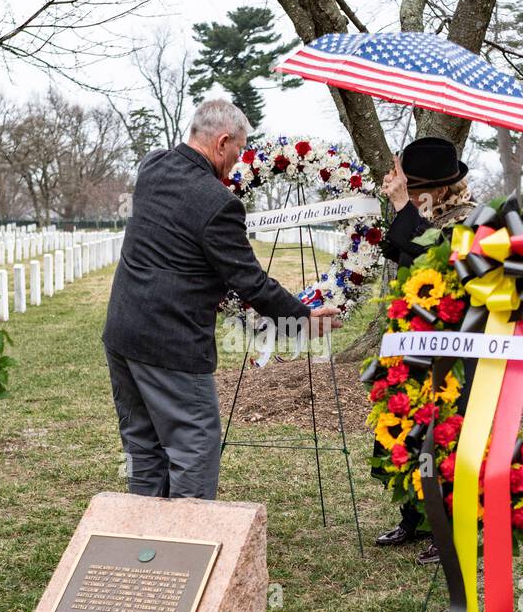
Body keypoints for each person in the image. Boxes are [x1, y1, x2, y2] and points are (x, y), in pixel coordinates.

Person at [103, 99, 342, 499]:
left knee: (143, 446)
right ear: (222, 142)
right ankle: (185, 547)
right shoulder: (218, 204)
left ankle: (143, 540)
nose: (236, 161)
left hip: (123, 334)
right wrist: (304, 317)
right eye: (237, 151)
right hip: (172, 344)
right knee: (193, 446)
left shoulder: (153, 168)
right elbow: (249, 282)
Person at [375, 136, 477, 565]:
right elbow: (402, 249)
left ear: (434, 191)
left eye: (411, 187)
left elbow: (436, 258)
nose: (405, 193)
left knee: (448, 432)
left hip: (454, 345)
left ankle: (457, 527)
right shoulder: (424, 214)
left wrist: (402, 211)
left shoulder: (470, 220)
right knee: (408, 423)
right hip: (412, 337)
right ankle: (416, 514)